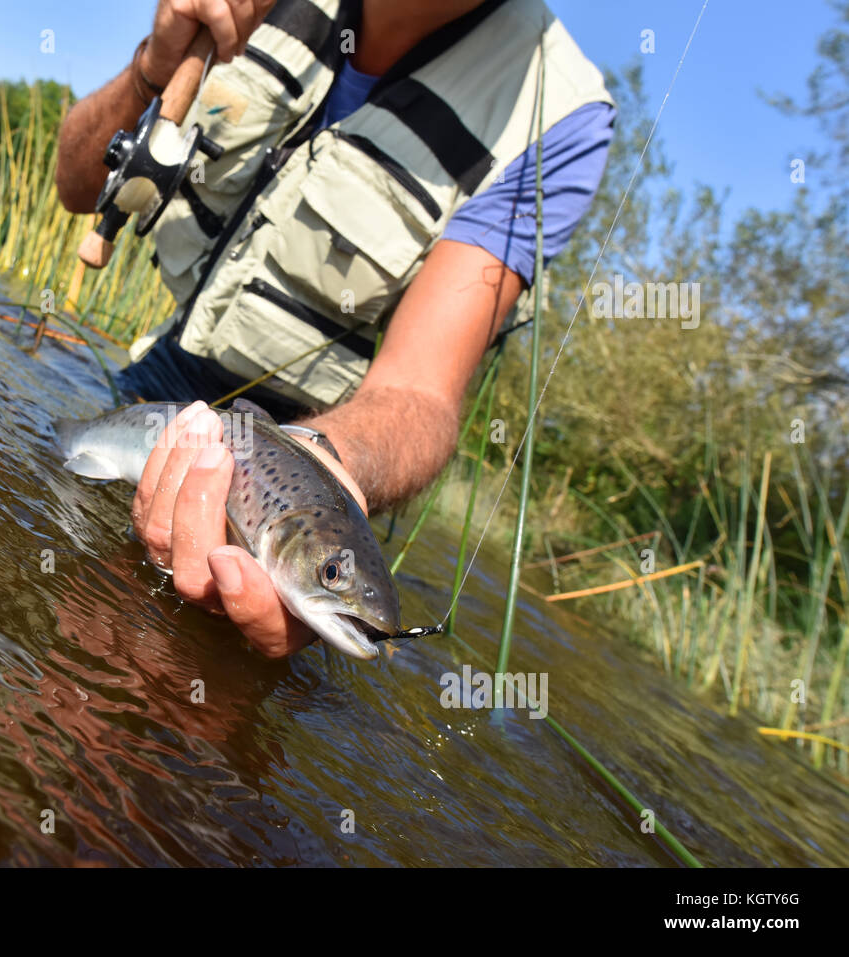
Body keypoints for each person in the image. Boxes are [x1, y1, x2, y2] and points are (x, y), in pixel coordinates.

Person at [55, 0, 615, 659]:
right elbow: (76, 187)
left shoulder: (559, 116)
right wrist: (154, 67)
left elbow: (421, 392)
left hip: (325, 451)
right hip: (165, 378)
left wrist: (321, 459)